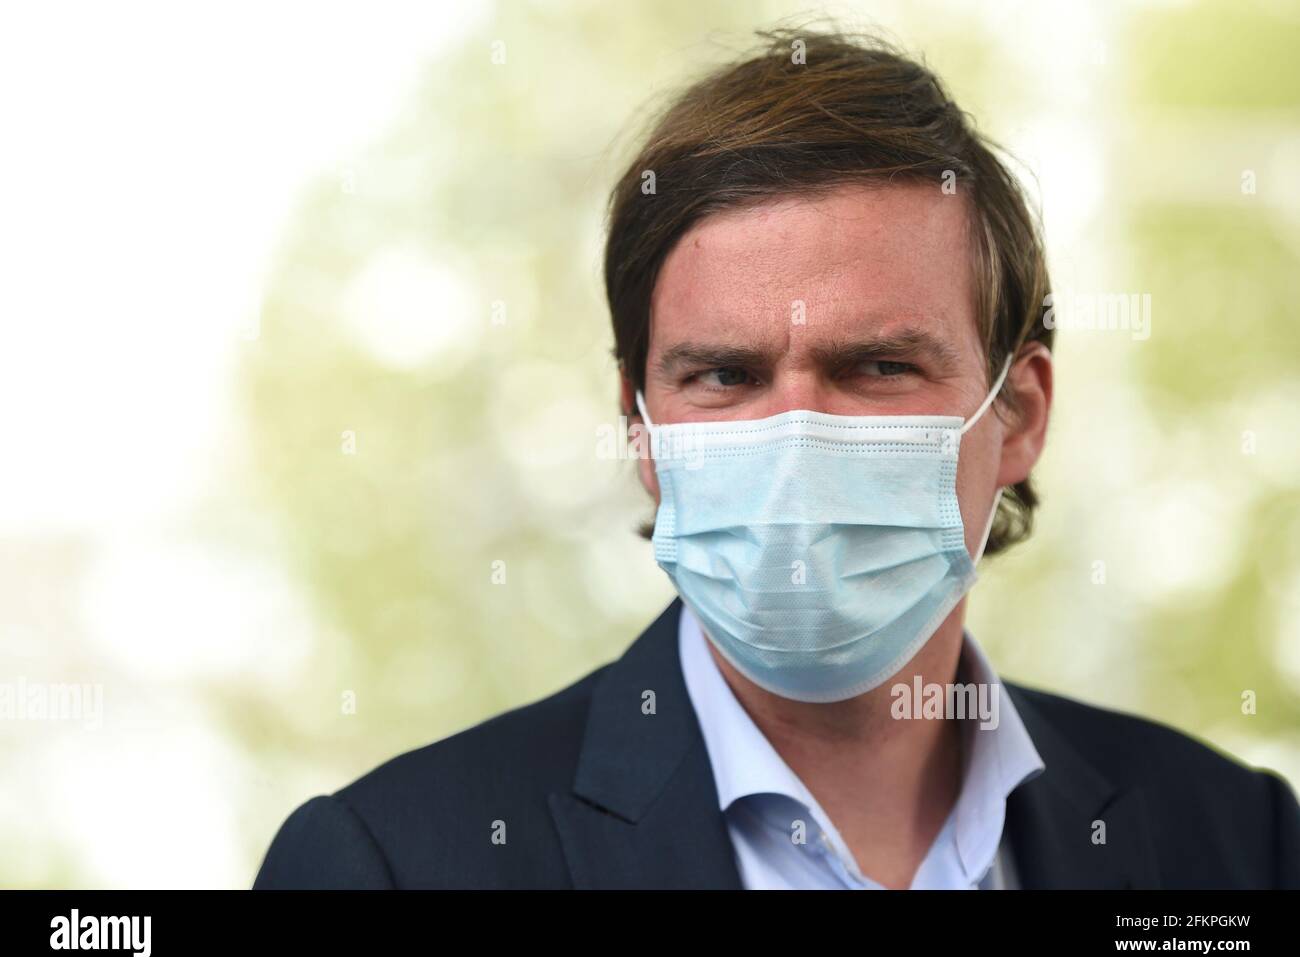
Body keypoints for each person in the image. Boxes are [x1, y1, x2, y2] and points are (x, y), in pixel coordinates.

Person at [253, 28, 1300, 889]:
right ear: (641, 431)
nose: (794, 436)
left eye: (878, 365)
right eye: (723, 376)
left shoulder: (1233, 847)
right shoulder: (396, 865)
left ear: (1017, 412)